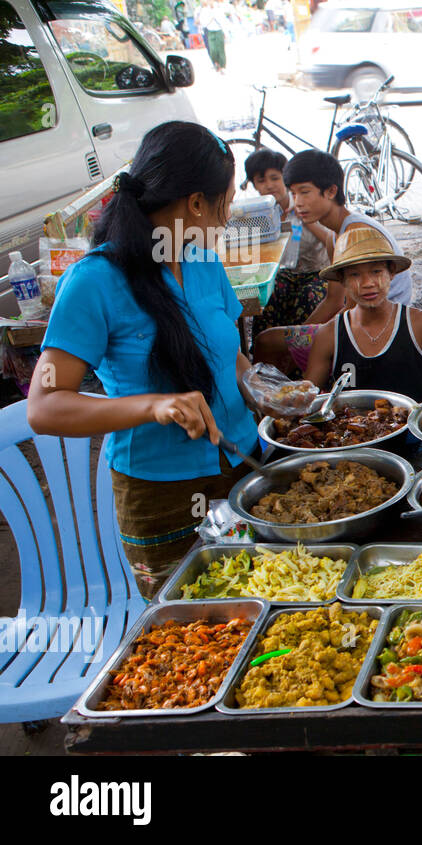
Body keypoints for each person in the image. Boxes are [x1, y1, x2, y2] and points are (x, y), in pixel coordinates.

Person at [27, 122, 261, 598]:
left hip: (241, 468)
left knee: (265, 604)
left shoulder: (204, 262)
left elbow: (231, 357)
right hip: (161, 496)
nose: (229, 213)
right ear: (196, 203)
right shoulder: (93, 281)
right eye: (227, 199)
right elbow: (45, 406)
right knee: (195, 634)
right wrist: (152, 406)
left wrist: (267, 392)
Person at [252, 149, 414, 376]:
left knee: (267, 341)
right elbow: (333, 301)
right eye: (294, 193)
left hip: (380, 325)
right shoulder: (335, 234)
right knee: (276, 340)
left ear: (331, 191)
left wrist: (303, 340)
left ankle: (270, 404)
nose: (298, 202)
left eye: (305, 192)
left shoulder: (355, 233)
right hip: (359, 318)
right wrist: (299, 335)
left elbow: (354, 307)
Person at [304, 227, 422, 399]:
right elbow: (307, 399)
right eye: (355, 275)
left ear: (391, 271)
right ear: (342, 280)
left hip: (415, 425)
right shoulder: (329, 335)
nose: (367, 283)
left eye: (376, 271)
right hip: (350, 425)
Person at [243, 149, 334, 346]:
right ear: (254, 185)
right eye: (261, 180)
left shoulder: (305, 202)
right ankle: (266, 354)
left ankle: (304, 355)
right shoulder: (258, 213)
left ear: (285, 177)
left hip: (319, 272)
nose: (269, 185)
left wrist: (306, 220)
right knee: (269, 295)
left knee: (308, 297)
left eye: (274, 178)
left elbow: (333, 239)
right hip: (286, 273)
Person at [199, 0, 227, 71]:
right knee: (212, 50)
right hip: (210, 31)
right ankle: (216, 62)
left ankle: (222, 66)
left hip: (218, 30)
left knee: (220, 49)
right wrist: (210, 18)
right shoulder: (204, 10)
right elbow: (203, 22)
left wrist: (225, 32)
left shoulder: (218, 9)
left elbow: (223, 21)